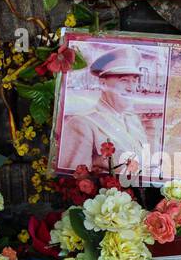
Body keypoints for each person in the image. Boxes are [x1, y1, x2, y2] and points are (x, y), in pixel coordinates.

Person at [56, 46, 152, 175]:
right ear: (102, 84)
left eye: (134, 81)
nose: (131, 88)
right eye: (124, 80)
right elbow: (75, 181)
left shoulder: (132, 119)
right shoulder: (82, 123)